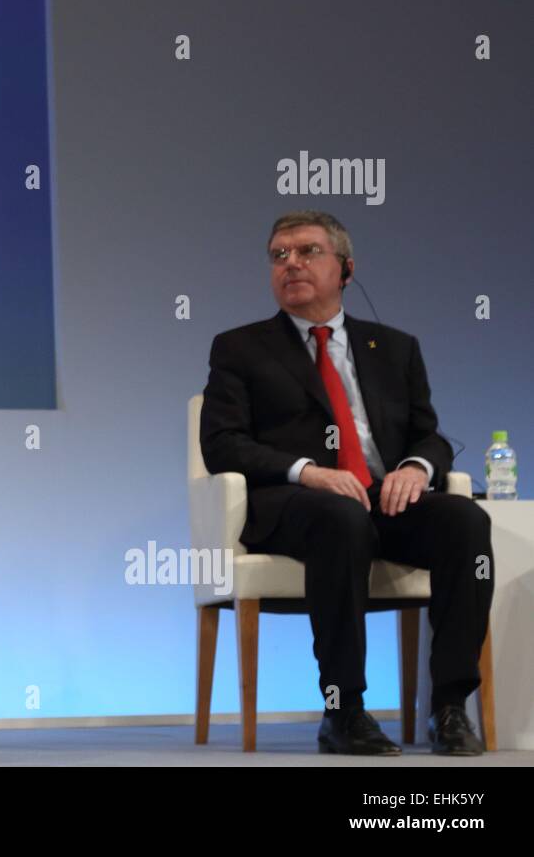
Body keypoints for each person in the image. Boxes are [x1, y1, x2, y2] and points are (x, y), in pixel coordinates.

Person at [200, 210, 492, 756]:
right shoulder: (240, 348)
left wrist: (415, 469)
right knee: (341, 518)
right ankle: (344, 711)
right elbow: (222, 443)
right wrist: (308, 471)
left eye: (307, 251)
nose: (290, 263)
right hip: (295, 503)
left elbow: (430, 436)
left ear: (347, 270)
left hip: (382, 499)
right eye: (279, 255)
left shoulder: (395, 347)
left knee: (465, 521)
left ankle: (450, 708)